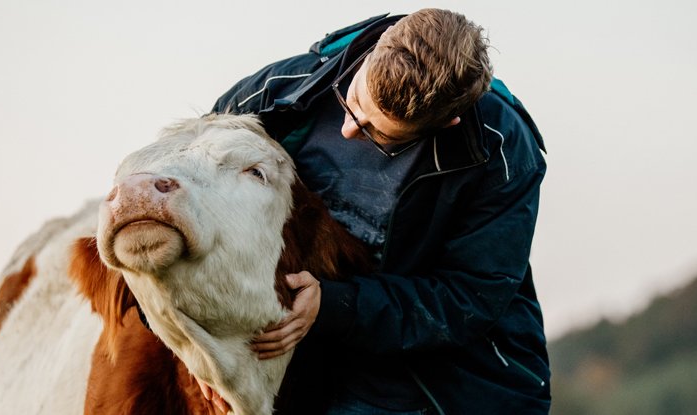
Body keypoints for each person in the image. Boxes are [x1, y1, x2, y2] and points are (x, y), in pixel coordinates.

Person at [205, 8, 550, 414]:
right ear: (374, 49)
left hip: (432, 378)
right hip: (292, 354)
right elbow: (193, 194)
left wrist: (332, 305)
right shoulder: (281, 90)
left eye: (376, 135)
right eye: (351, 101)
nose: (349, 129)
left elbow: (466, 298)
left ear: (448, 123)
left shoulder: (504, 152)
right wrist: (199, 350)